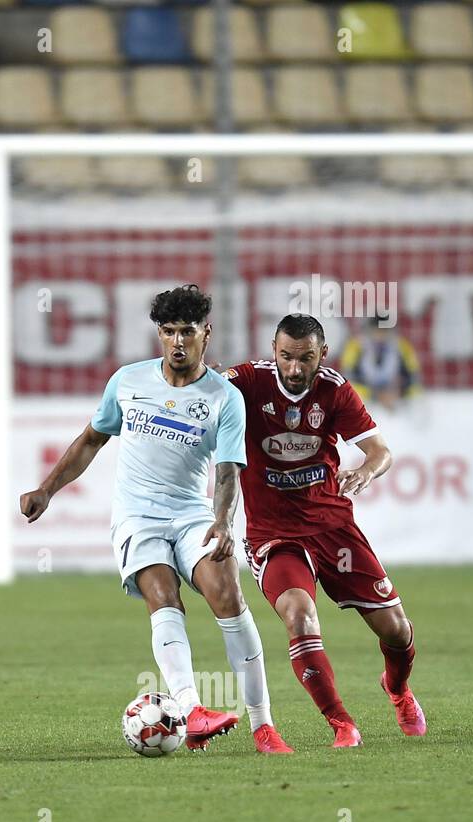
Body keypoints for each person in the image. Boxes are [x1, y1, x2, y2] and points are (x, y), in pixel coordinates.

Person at [21, 285, 293, 754]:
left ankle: (263, 725)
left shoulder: (225, 398)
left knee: (228, 595)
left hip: (192, 515)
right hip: (137, 517)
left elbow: (228, 471)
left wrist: (223, 522)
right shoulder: (128, 381)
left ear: (206, 333)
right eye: (168, 332)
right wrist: (47, 489)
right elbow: (91, 440)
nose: (177, 342)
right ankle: (191, 711)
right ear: (159, 335)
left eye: (187, 331)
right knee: (163, 596)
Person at [226, 313, 426, 747]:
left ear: (323, 354)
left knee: (396, 629)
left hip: (333, 527)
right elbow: (199, 391)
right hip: (274, 533)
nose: (295, 368)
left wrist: (366, 471)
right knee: (299, 616)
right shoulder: (247, 382)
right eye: (286, 356)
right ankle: (342, 723)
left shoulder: (334, 390)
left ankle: (397, 689)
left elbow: (381, 451)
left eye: (305, 358)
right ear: (274, 351)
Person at [340, 314, 422, 411]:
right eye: (376, 331)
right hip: (366, 402)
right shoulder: (355, 347)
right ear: (369, 330)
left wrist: (400, 392)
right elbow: (348, 380)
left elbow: (414, 378)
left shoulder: (402, 347)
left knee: (417, 400)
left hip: (396, 400)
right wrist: (375, 395)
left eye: (384, 331)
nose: (380, 335)